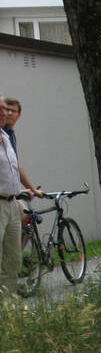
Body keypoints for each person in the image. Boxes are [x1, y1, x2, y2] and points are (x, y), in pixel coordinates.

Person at [0, 97, 24, 295]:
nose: (3, 113)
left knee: (13, 258)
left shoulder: (7, 138)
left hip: (12, 202)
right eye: (0, 109)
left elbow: (14, 169)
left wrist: (23, 189)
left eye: (5, 109)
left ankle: (8, 309)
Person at [3, 98, 38, 198]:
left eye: (13, 111)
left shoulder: (11, 135)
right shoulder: (2, 134)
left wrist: (32, 189)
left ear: (19, 115)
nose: (9, 113)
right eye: (7, 110)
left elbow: (15, 165)